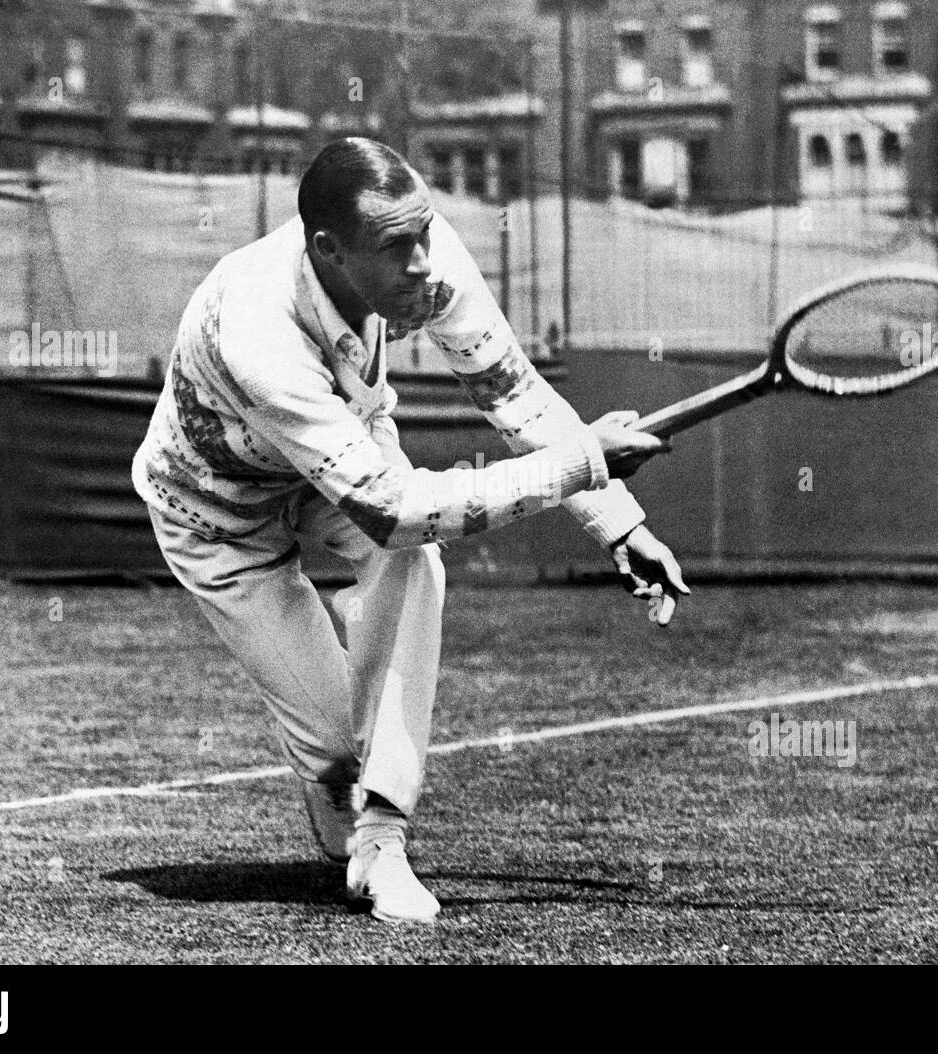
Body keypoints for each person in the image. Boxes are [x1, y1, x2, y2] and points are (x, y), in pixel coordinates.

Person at [132, 137, 689, 925]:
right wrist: (583, 464)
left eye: (426, 232)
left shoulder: (420, 253)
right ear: (327, 249)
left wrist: (619, 525)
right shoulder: (258, 330)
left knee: (415, 564)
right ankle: (335, 780)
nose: (425, 263)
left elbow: (515, 396)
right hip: (218, 514)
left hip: (346, 450)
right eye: (397, 247)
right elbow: (393, 510)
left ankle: (383, 839)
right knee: (334, 750)